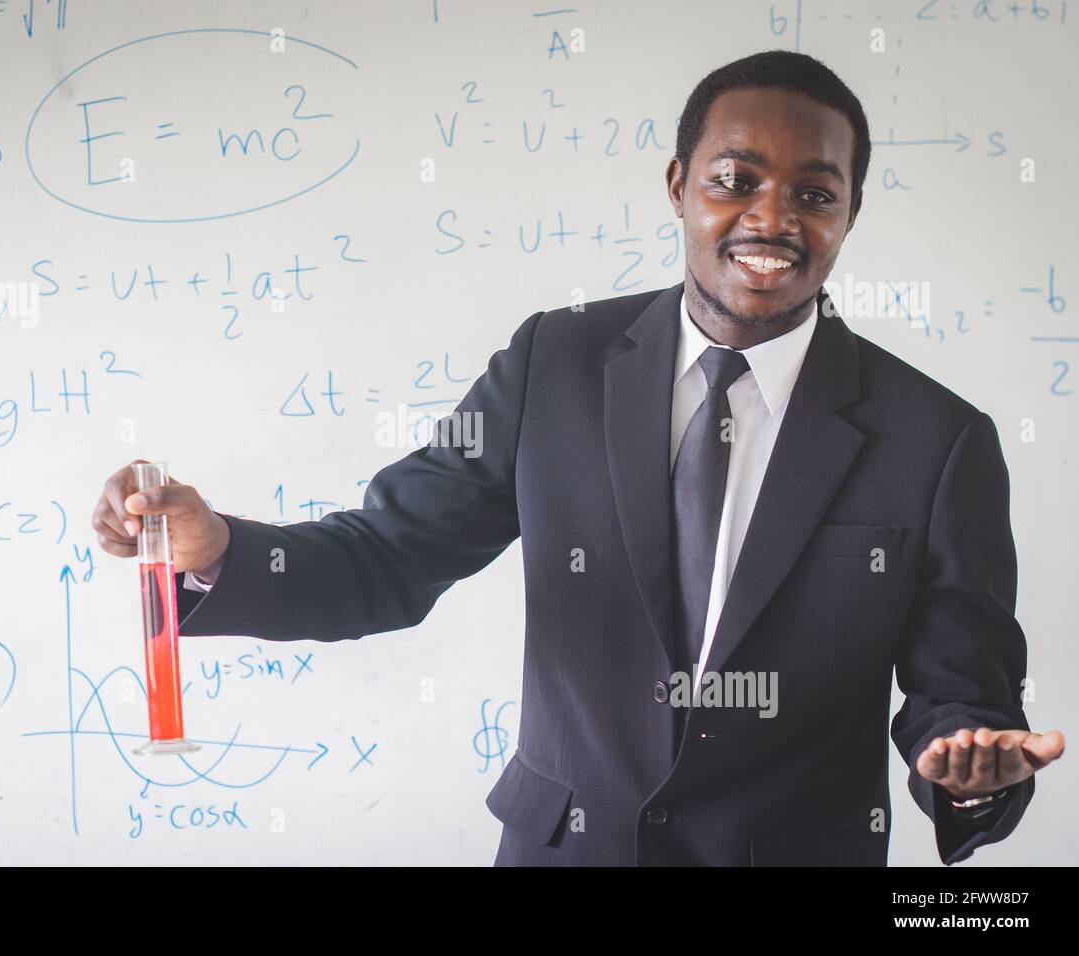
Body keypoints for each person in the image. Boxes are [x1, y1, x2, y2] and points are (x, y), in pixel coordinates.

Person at [93, 50, 1064, 866]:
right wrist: (217, 545)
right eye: (735, 177)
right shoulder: (551, 365)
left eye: (814, 191)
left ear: (847, 212)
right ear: (679, 184)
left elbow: (961, 691)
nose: (772, 216)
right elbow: (389, 555)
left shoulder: (937, 437)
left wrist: (967, 764)